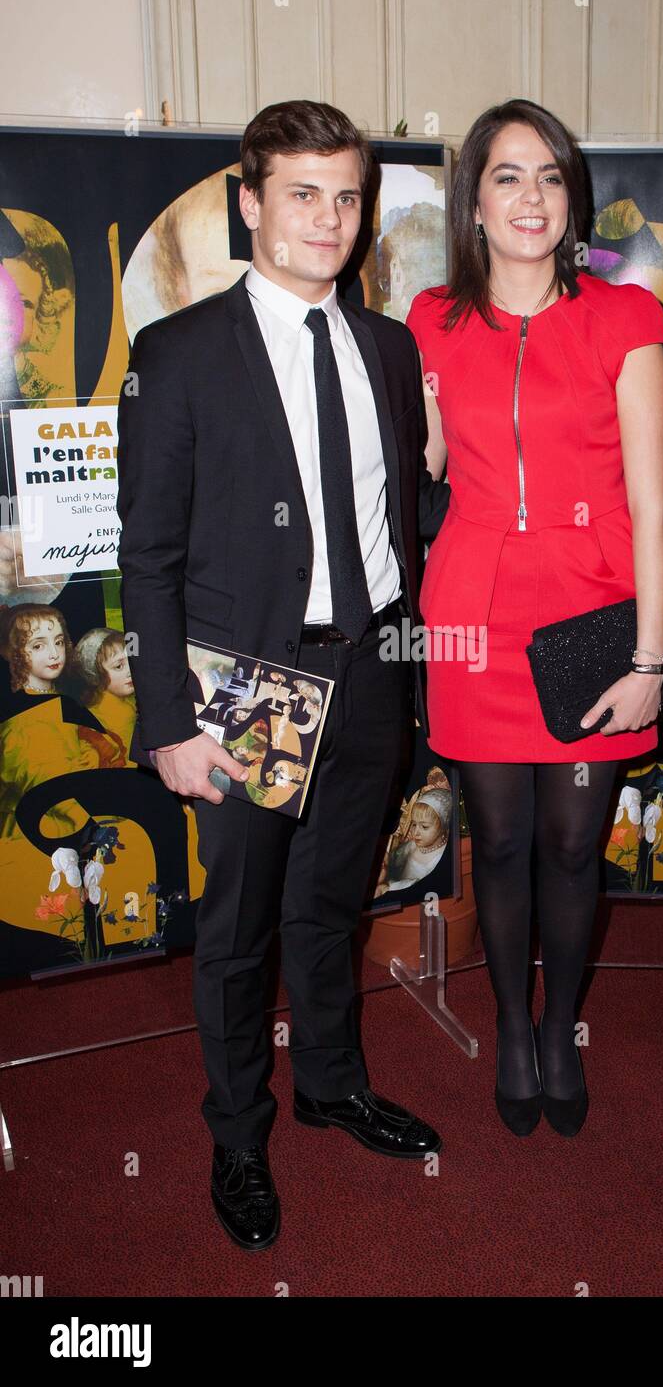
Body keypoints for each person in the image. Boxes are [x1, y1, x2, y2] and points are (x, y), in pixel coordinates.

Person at [116, 100, 451, 1251]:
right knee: (239, 929)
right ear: (249, 203)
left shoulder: (388, 348)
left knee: (330, 907)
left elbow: (395, 521)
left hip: (367, 676)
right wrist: (166, 720)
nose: (329, 217)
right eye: (301, 193)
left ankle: (328, 1083)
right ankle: (237, 1135)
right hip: (246, 691)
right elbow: (148, 557)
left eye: (347, 196)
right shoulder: (180, 353)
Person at [406, 98, 663, 1138]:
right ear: (472, 198)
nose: (530, 196)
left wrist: (649, 657)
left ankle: (560, 1023)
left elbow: (655, 509)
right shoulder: (430, 318)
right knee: (499, 840)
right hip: (471, 621)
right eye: (507, 175)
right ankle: (509, 1025)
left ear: (574, 200)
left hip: (592, 624)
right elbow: (422, 462)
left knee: (571, 843)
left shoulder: (626, 320)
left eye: (550, 176)